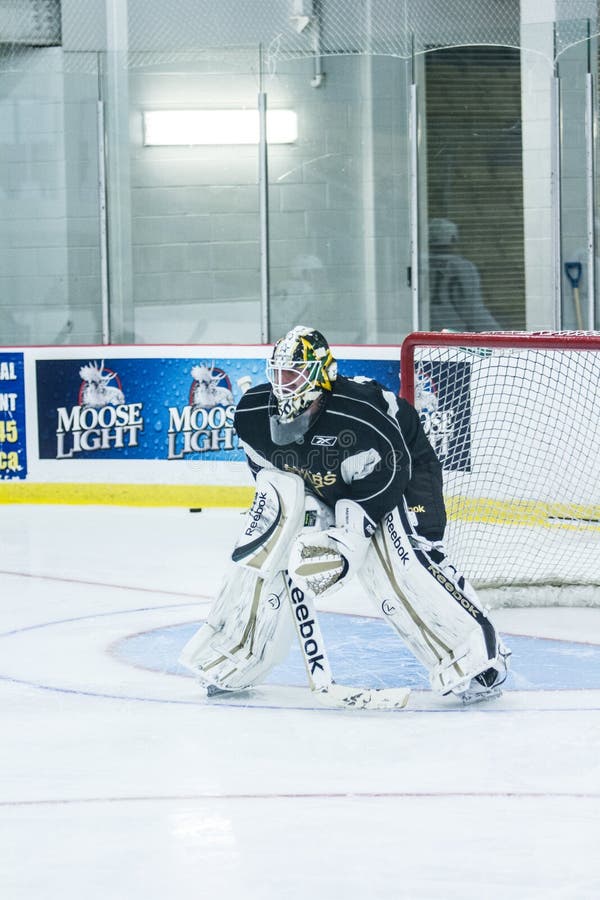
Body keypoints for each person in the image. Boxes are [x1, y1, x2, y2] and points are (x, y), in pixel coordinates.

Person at [180, 326, 510, 707]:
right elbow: (269, 473)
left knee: (398, 563)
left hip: (400, 465)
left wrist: (350, 537)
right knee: (265, 554)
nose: (284, 385)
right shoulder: (253, 413)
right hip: (330, 478)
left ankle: (477, 660)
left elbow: (390, 474)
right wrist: (303, 515)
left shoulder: (360, 418)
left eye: (295, 373)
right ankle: (236, 657)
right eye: (279, 374)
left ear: (320, 374)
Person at [428, 218, 502, 331]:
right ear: (453, 238)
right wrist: (498, 335)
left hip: (425, 333)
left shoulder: (419, 266)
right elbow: (473, 312)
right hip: (453, 334)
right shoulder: (463, 267)